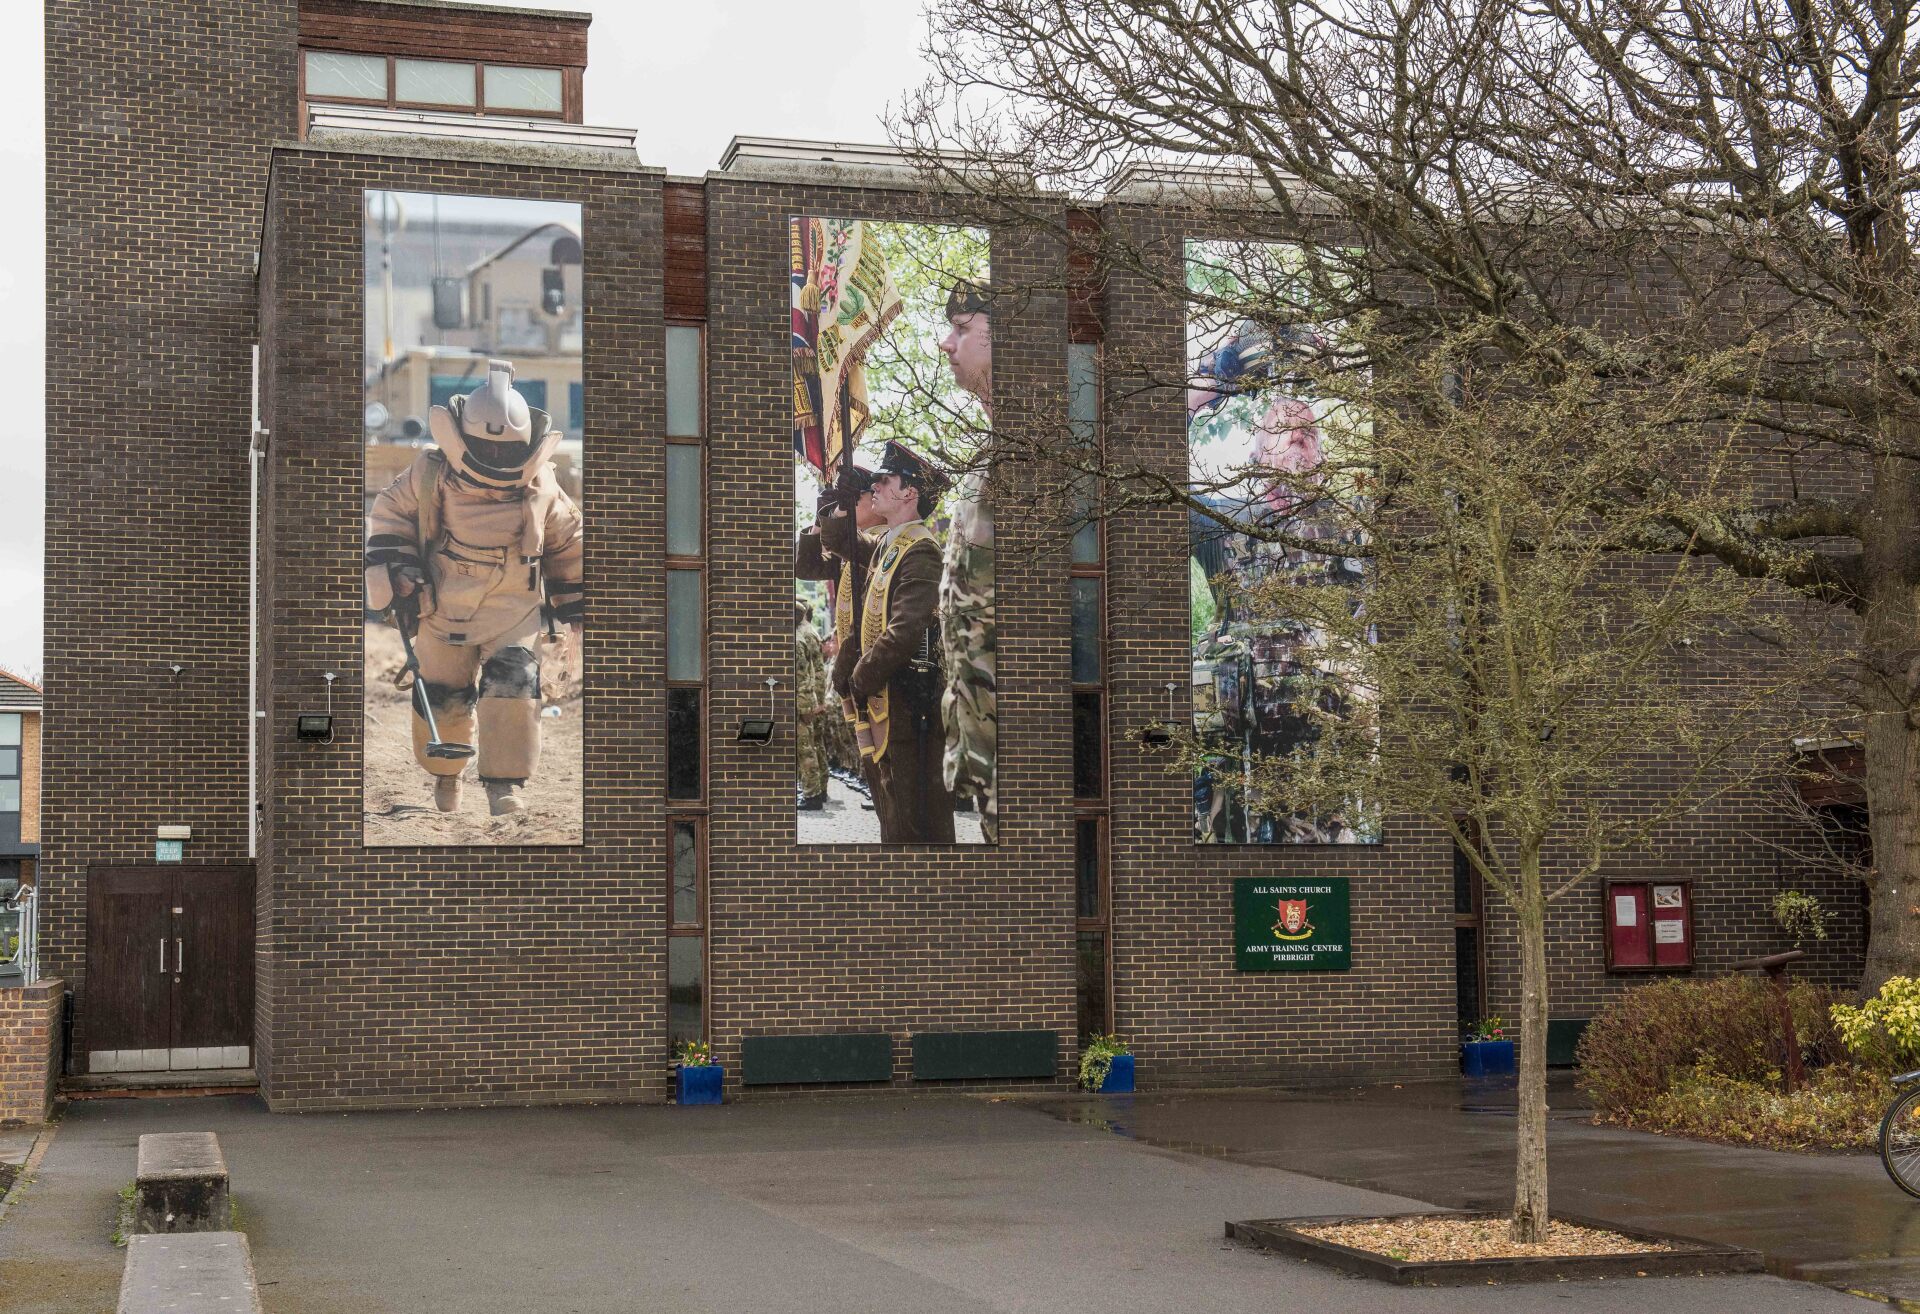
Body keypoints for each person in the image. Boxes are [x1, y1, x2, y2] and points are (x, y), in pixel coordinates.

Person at [365, 359, 583, 818]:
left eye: (506, 449)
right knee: (442, 695)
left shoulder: (543, 487)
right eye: (487, 447)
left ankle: (505, 786)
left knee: (514, 690)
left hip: (513, 612)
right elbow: (391, 515)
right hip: (442, 607)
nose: (497, 456)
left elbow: (568, 544)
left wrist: (575, 611)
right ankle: (447, 775)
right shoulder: (431, 473)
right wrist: (400, 571)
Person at [845, 442, 953, 843]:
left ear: (910, 492)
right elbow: (839, 542)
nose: (874, 487)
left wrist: (860, 677)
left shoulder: (921, 549)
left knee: (914, 826)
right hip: (891, 701)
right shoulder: (891, 543)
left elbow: (905, 630)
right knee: (894, 819)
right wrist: (836, 506)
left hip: (911, 706)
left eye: (884, 480)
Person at [936, 278, 998, 841]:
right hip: (985, 744)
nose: (946, 343)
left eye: (961, 329)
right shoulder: (991, 454)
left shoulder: (1038, 453)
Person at [794, 600, 830, 810]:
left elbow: (805, 676)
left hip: (804, 703)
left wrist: (809, 706)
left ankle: (813, 794)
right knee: (809, 746)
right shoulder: (801, 635)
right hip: (807, 700)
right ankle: (814, 791)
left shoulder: (800, 639)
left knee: (806, 748)